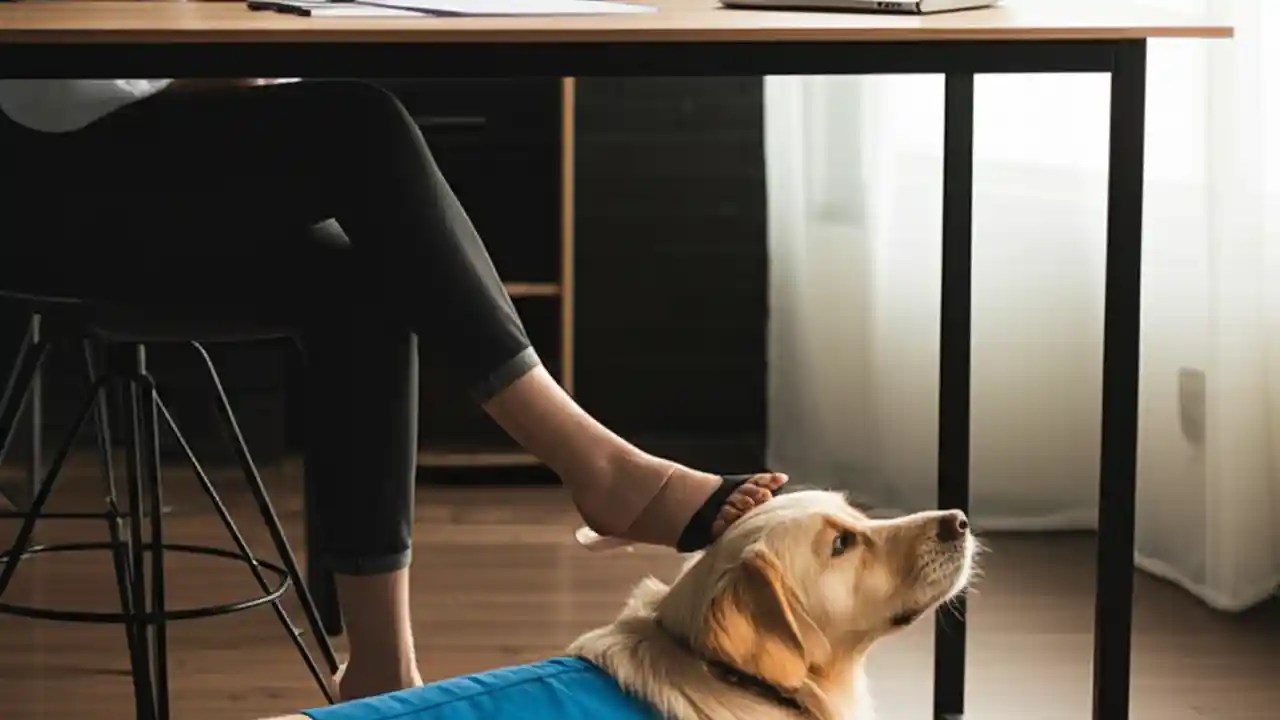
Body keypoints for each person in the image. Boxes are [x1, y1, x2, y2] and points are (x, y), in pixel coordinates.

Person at [0, 78, 787, 700]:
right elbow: (59, 87)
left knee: (370, 276)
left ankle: (381, 670)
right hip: (37, 185)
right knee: (360, 127)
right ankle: (600, 468)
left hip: (128, 172)